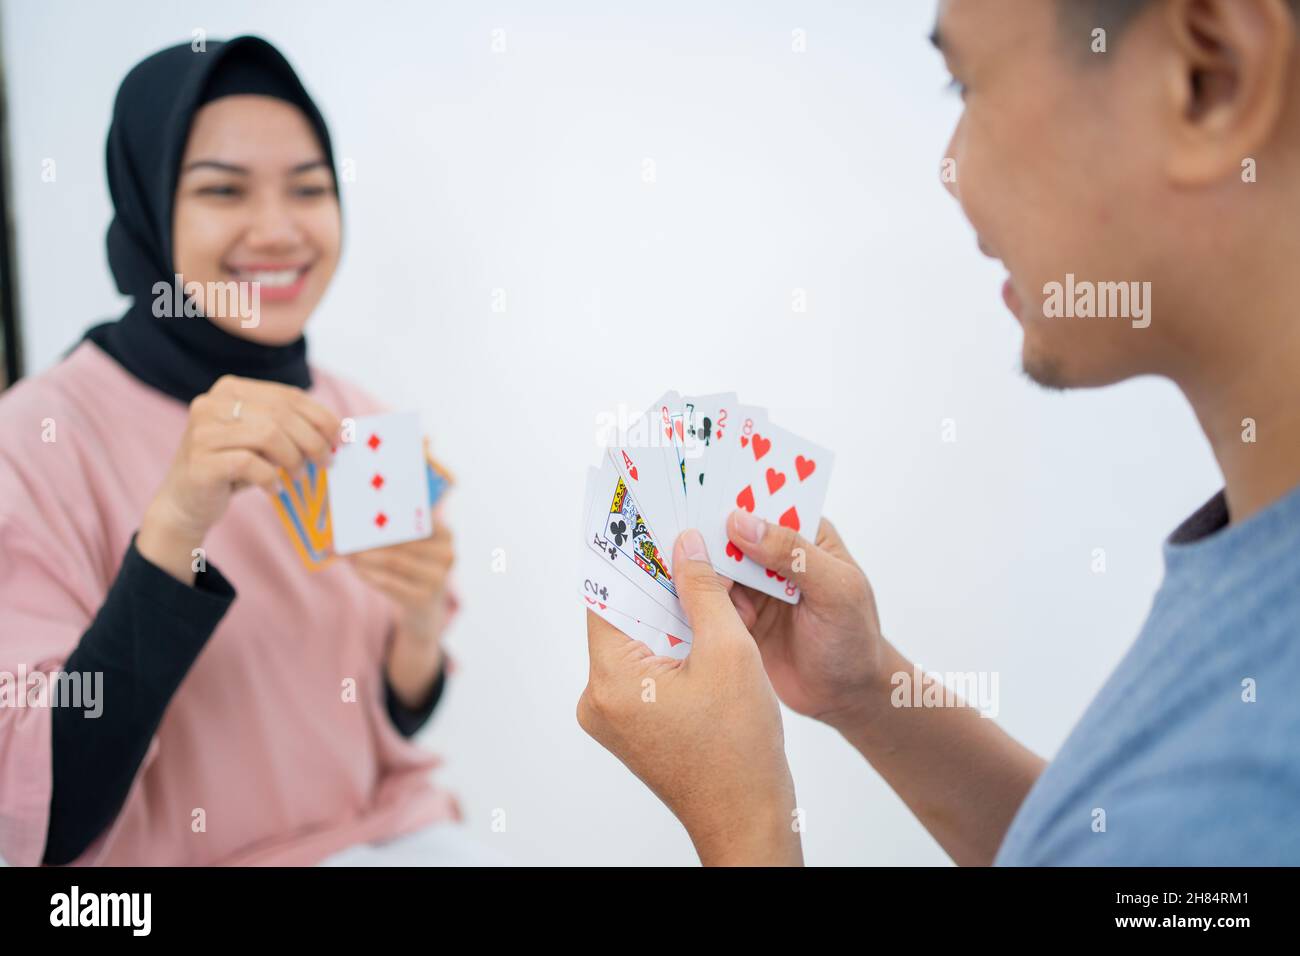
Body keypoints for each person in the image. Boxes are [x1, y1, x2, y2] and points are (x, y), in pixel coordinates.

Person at [578, 0, 1300, 866]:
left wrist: (745, 829)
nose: (949, 169)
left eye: (967, 81)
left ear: (1210, 76)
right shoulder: (1257, 565)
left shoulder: (1262, 775)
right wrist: (869, 689)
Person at [0, 37, 473, 866]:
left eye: (309, 188)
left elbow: (391, 715)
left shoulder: (355, 416)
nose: (278, 229)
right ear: (147, 208)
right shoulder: (33, 442)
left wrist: (420, 624)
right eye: (222, 189)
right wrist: (176, 525)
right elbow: (44, 814)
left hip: (383, 839)